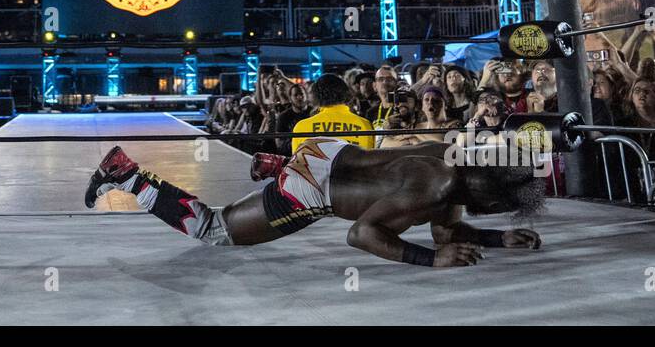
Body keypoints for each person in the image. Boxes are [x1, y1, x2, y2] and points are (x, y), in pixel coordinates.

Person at [84, 107, 547, 269]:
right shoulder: (438, 185)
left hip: (331, 152)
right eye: (499, 212)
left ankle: (277, 165)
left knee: (329, 176)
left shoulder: (446, 160)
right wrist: (429, 260)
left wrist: (497, 240)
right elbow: (362, 235)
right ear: (490, 196)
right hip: (312, 187)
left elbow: (448, 233)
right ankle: (126, 174)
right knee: (215, 230)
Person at [290, 74, 373, 152]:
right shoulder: (364, 125)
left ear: (316, 96)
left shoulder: (301, 127)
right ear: (345, 93)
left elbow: (297, 164)